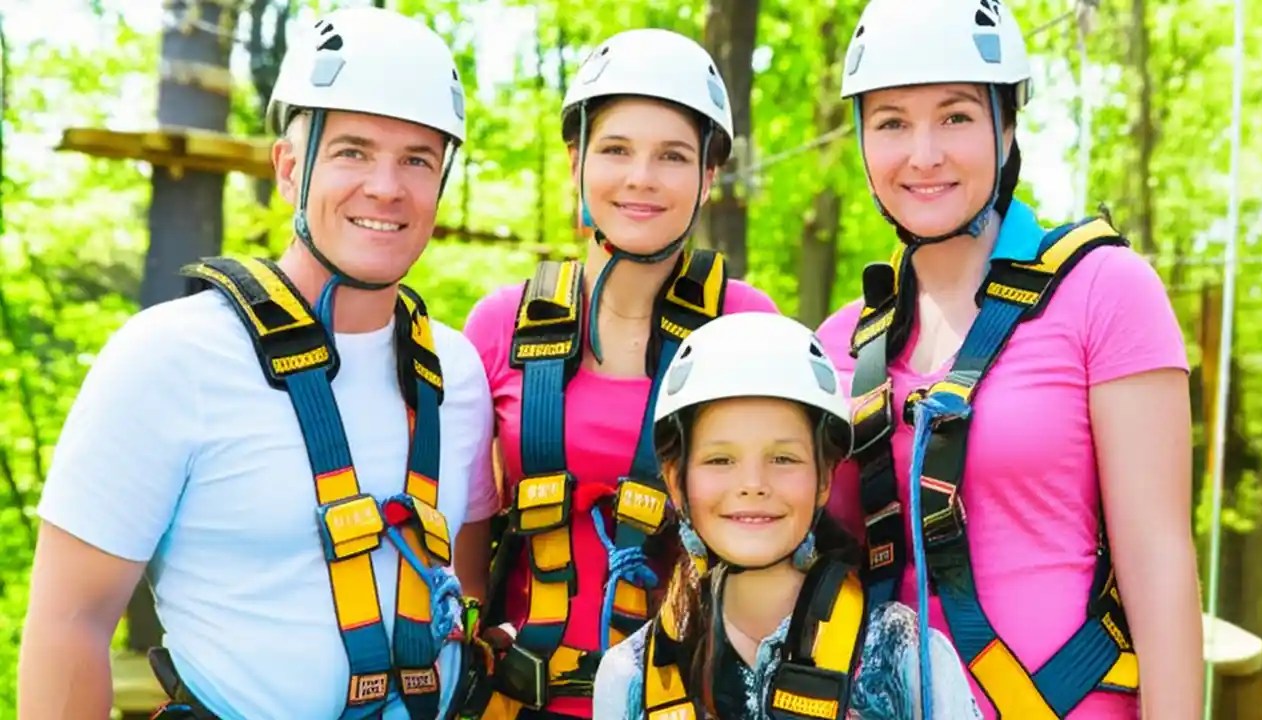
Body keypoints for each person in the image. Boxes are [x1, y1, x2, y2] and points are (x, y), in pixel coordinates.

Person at [18, 7, 496, 719]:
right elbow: (69, 624)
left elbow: (464, 586)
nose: (387, 188)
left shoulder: (453, 370)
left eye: (418, 160)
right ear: (289, 168)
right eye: (353, 152)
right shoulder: (172, 358)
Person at [815, 0, 1203, 717]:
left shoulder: (1103, 291)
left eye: (957, 116)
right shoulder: (844, 342)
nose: (923, 154)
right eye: (892, 122)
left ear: (1007, 125)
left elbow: (1160, 560)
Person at [460, 28, 778, 720]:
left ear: (708, 175)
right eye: (615, 150)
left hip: (683, 696)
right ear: (576, 161)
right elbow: (463, 535)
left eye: (671, 156)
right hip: (520, 695)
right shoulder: (500, 327)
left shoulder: (747, 324)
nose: (641, 178)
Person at [592, 311, 981, 720]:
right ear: (676, 481)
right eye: (721, 459)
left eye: (783, 458)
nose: (753, 483)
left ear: (825, 478)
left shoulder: (902, 653)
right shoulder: (633, 675)